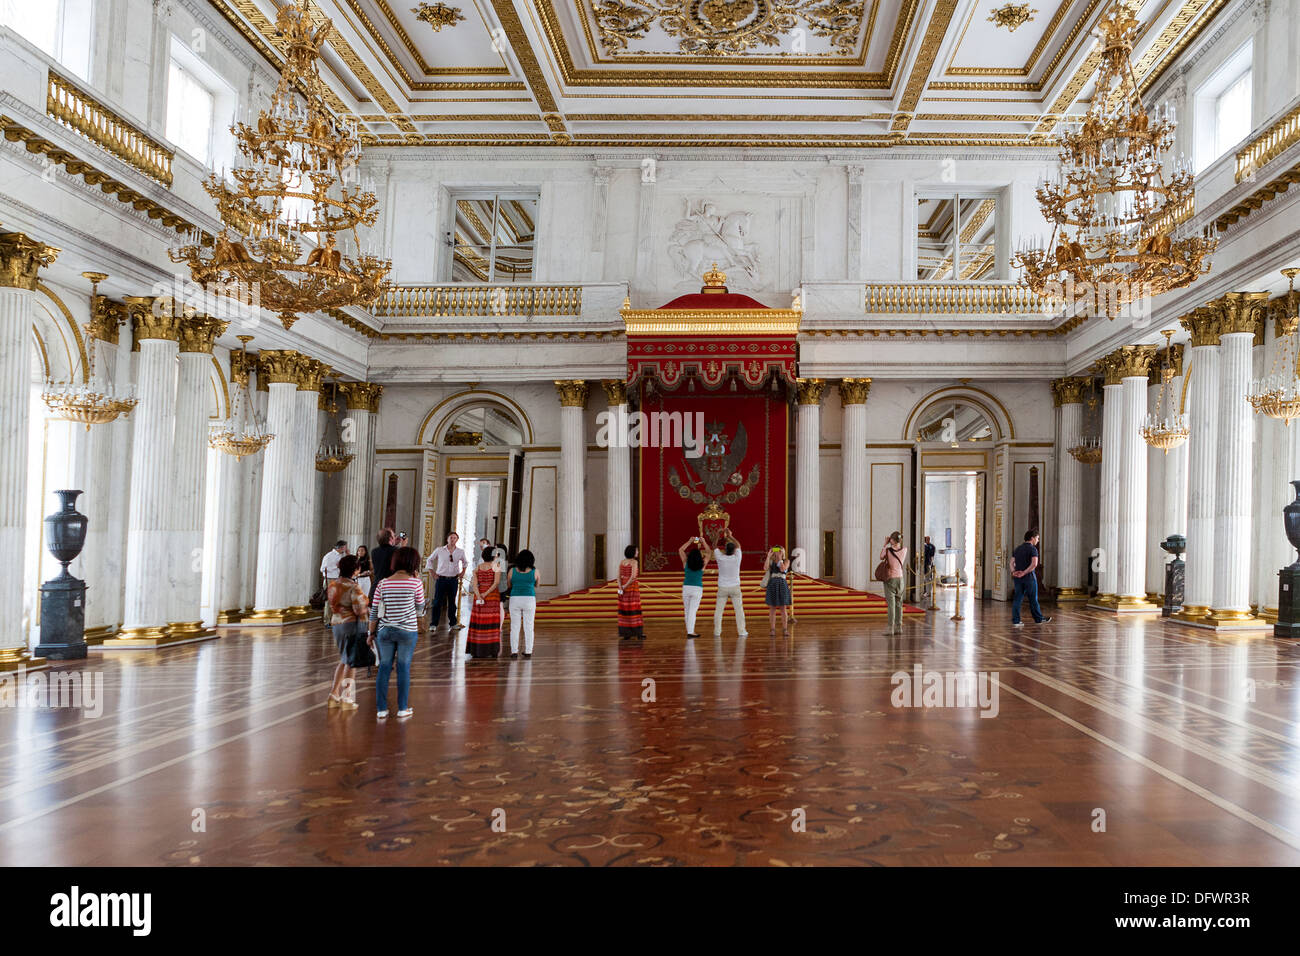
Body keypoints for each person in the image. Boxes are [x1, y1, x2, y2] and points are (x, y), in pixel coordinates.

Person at [367, 546, 424, 719]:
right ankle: (402, 708)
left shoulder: (383, 583)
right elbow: (420, 609)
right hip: (407, 630)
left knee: (384, 667)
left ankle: (381, 709)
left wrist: (370, 633)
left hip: (385, 631)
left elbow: (374, 611)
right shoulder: (416, 583)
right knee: (403, 668)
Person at [326, 554, 368, 710]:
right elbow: (358, 609)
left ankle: (334, 694)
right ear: (355, 569)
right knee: (351, 661)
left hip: (337, 623)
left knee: (344, 659)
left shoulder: (333, 585)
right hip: (351, 624)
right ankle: (347, 696)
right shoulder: (353, 586)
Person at [426, 532, 467, 632]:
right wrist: (432, 573)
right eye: (451, 538)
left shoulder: (460, 551)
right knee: (437, 602)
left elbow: (465, 562)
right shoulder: (439, 550)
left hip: (453, 579)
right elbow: (429, 560)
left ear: (457, 540)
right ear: (447, 539)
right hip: (441, 579)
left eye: (455, 538)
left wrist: (463, 572)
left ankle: (453, 623)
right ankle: (433, 624)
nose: (452, 540)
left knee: (452, 602)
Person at [467, 546, 502, 659]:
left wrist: (478, 595)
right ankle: (492, 650)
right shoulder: (496, 566)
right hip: (491, 597)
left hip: (479, 596)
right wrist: (485, 594)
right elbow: (496, 583)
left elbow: (474, 584)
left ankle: (476, 650)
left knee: (479, 622)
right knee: (491, 622)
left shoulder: (478, 568)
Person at [1011, 530, 1052, 628]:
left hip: (1018, 578)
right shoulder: (1033, 549)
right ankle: (1038, 619)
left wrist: (1014, 572)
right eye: (1037, 538)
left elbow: (1011, 563)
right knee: (1033, 599)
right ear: (1032, 538)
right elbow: (1034, 564)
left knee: (1017, 599)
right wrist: (1024, 573)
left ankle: (1016, 621)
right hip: (1029, 578)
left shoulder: (1017, 549)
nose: (1038, 540)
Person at [712, 528, 747, 638]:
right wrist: (730, 535)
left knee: (719, 611)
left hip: (722, 587)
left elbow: (714, 546)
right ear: (734, 550)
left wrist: (718, 535)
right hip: (735, 587)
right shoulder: (737, 557)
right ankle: (741, 631)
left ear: (725, 550)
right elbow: (739, 545)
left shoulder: (720, 557)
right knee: (739, 611)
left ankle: (717, 632)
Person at [677, 535, 710, 639]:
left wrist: (690, 541)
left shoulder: (685, 563)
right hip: (697, 588)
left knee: (687, 610)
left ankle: (689, 630)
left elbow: (681, 550)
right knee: (692, 611)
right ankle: (690, 632)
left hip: (686, 587)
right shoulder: (702, 564)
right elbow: (709, 552)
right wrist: (703, 541)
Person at [506, 550, 537, 659]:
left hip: (515, 598)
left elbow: (509, 585)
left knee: (514, 626)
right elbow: (537, 584)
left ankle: (514, 651)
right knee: (529, 626)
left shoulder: (512, 571)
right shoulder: (535, 571)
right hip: (529, 598)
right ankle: (528, 651)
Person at [880, 532, 907, 635]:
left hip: (890, 579)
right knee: (899, 604)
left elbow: (881, 557)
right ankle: (899, 627)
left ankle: (890, 628)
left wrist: (885, 544)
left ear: (892, 540)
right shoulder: (904, 550)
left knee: (891, 605)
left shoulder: (888, 551)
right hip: (900, 579)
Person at [764, 545, 792, 635]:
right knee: (772, 608)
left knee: (783, 608)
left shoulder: (786, 561)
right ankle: (772, 629)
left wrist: (780, 558)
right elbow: (765, 568)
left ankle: (785, 629)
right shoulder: (771, 561)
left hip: (782, 583)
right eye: (776, 550)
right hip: (772, 583)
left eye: (780, 550)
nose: (778, 551)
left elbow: (783, 569)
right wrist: (768, 556)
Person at [319, 539, 348, 626]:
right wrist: (336, 567)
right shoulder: (329, 556)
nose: (346, 549)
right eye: (345, 547)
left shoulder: (341, 555)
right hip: (330, 579)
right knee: (329, 601)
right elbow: (322, 569)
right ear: (341, 547)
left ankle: (335, 620)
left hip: (338, 579)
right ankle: (327, 621)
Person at [618, 545, 644, 640]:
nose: (638, 552)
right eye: (637, 551)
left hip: (623, 588)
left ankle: (626, 633)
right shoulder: (634, 562)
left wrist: (621, 587)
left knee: (624, 609)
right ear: (633, 552)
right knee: (634, 608)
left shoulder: (622, 562)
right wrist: (625, 586)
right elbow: (633, 577)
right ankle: (638, 633)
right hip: (632, 588)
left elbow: (618, 577)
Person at [369, 528, 396, 601]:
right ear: (390, 538)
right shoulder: (396, 551)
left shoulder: (374, 551)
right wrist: (403, 546)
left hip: (376, 587)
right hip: (390, 589)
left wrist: (394, 544)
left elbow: (386, 552)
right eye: (394, 536)